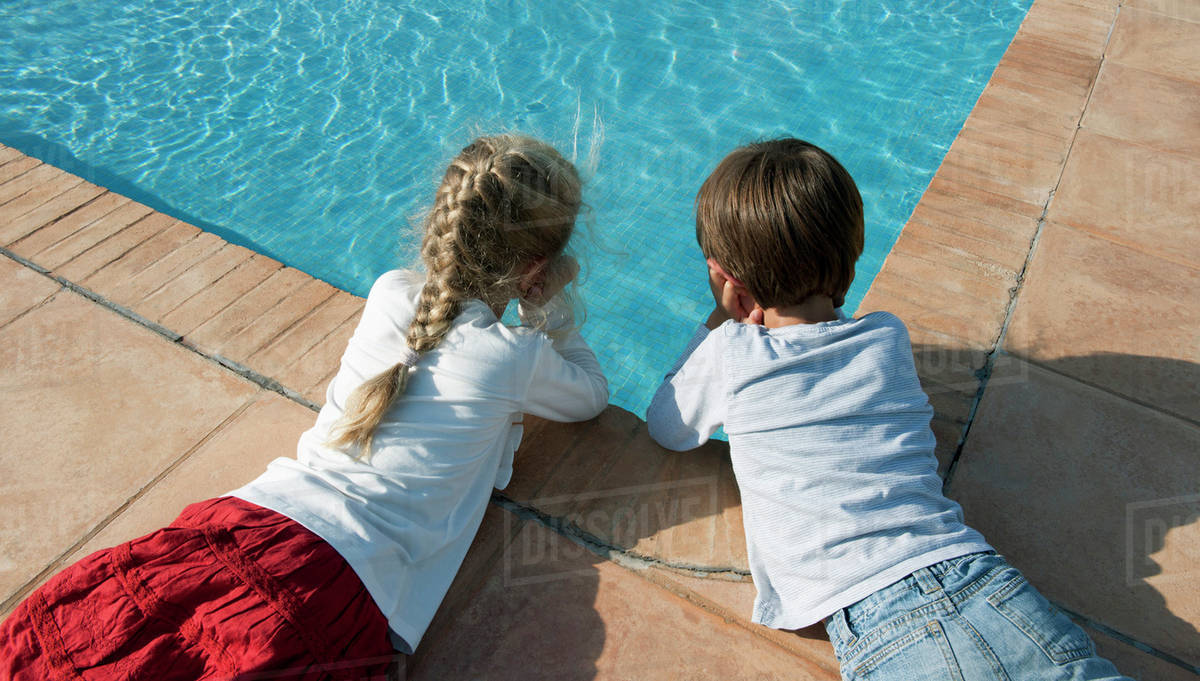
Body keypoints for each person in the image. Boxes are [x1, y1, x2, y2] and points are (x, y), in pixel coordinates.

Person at [1, 133, 609, 680]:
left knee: (104, 645)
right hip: (336, 582)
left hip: (248, 521)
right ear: (536, 265)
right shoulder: (513, 355)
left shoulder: (390, 292)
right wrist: (545, 305)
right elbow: (590, 396)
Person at [646, 138, 1132, 680]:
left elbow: (666, 424)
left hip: (885, 621)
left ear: (727, 281)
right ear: (850, 254)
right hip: (987, 582)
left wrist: (720, 319)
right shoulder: (886, 337)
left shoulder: (731, 352)